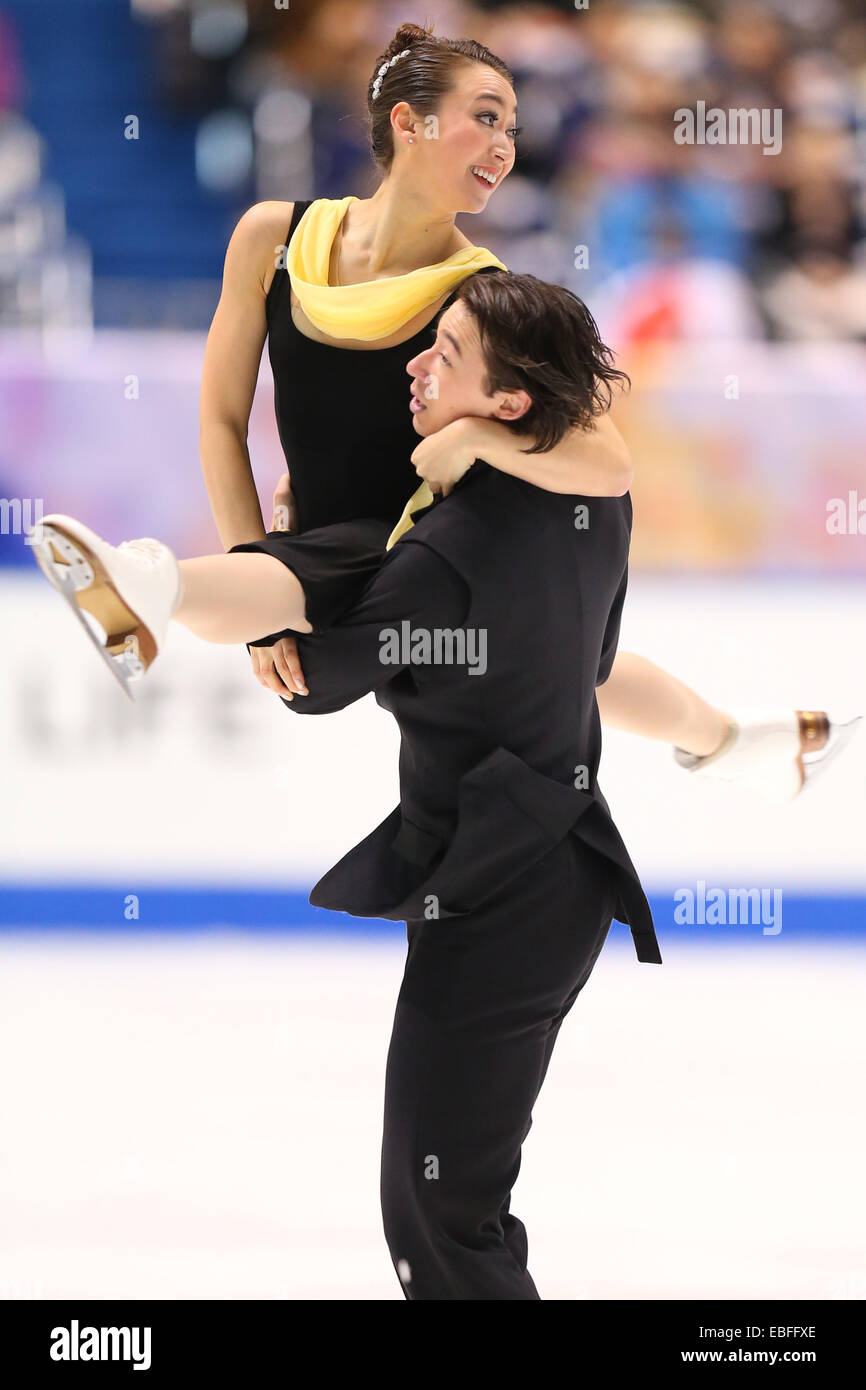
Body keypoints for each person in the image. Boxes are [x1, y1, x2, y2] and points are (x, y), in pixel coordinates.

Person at [31, 269, 660, 1299]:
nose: (414, 364)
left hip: (506, 890)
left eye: (444, 355)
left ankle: (164, 585)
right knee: (453, 1205)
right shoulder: (594, 503)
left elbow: (313, 683)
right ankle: (164, 584)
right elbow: (590, 639)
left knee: (438, 1218)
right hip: (550, 865)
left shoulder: (445, 550)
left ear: (507, 403)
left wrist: (294, 595)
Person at [198, 19, 854, 804]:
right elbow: (220, 419)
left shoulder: (484, 297)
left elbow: (608, 460)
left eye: (512, 127)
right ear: (410, 123)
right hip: (331, 552)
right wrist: (251, 578)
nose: (507, 145)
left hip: (451, 542)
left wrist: (477, 432)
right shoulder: (273, 236)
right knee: (574, 672)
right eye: (485, 117)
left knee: (571, 665)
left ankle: (143, 588)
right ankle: (731, 740)